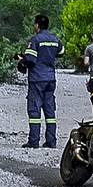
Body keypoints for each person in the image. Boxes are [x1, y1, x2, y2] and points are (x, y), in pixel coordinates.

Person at [19, 14, 62, 148]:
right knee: (50, 110)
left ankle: (33, 141)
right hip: (50, 78)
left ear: (37, 25)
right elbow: (61, 52)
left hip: (37, 78)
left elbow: (30, 59)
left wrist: (22, 60)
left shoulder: (35, 39)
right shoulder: (55, 39)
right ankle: (51, 141)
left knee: (34, 110)